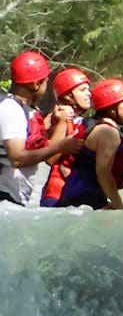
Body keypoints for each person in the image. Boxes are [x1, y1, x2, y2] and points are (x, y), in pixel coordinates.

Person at [1, 51, 83, 206]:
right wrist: (60, 146)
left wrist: (56, 122)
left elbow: (33, 139)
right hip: (4, 196)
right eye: (45, 81)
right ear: (35, 84)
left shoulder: (27, 109)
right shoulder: (11, 109)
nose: (47, 84)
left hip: (12, 197)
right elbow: (17, 158)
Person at [56, 78, 123, 210]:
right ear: (111, 109)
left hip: (76, 198)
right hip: (84, 200)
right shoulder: (108, 132)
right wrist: (119, 206)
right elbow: (103, 173)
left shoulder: (94, 124)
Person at [39, 67, 92, 207]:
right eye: (83, 90)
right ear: (68, 96)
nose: (89, 94)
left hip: (75, 190)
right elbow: (50, 159)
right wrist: (63, 121)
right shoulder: (56, 117)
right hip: (56, 194)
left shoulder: (82, 120)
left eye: (88, 89)